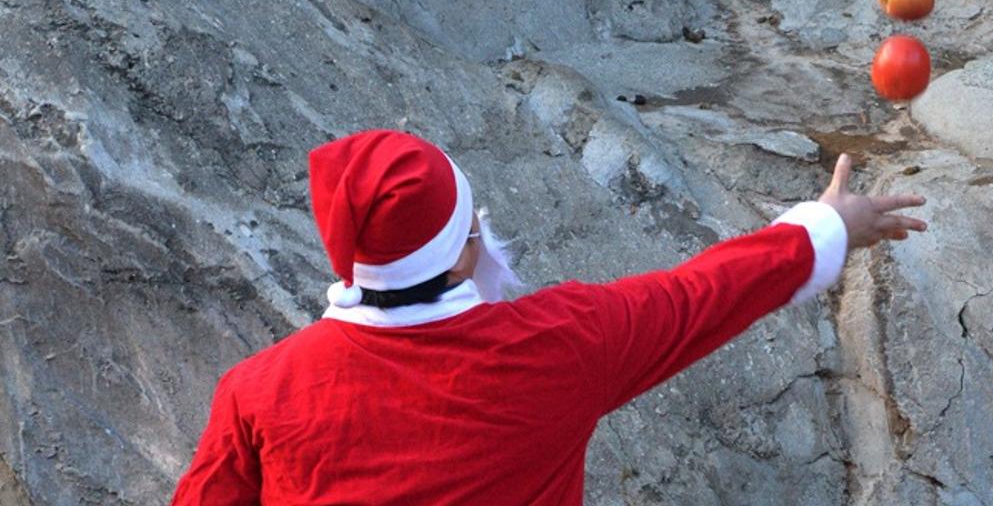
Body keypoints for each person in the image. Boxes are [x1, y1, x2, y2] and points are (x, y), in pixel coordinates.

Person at [170, 129, 927, 505]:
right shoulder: (561, 343)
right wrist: (828, 225)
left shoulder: (258, 392)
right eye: (473, 227)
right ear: (459, 258)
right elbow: (703, 293)